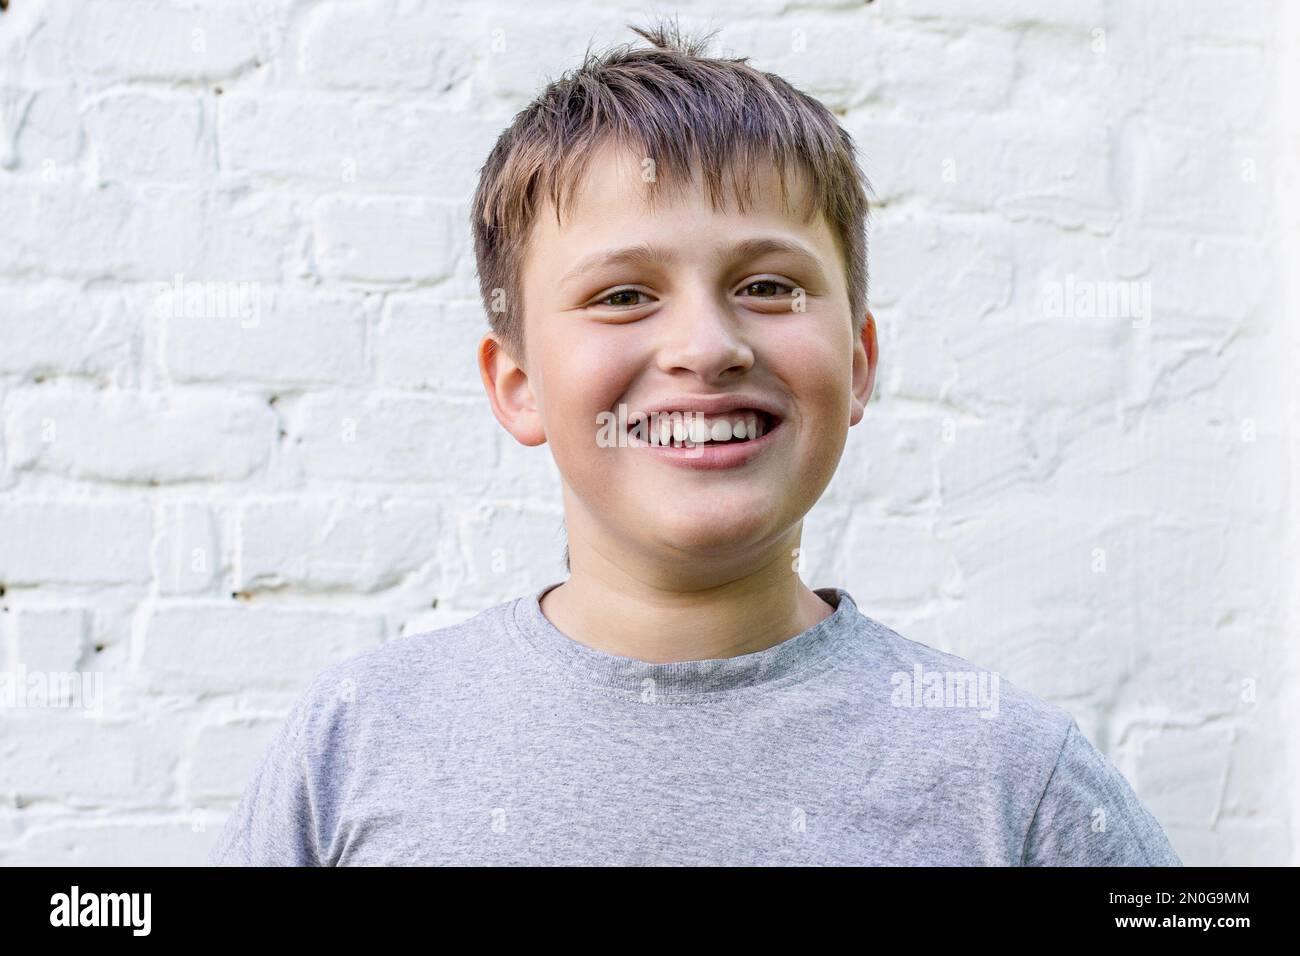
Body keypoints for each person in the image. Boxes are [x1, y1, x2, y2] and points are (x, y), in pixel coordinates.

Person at [210, 18, 1182, 866]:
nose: (706, 348)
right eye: (623, 294)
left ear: (856, 362)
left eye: (766, 285)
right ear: (516, 385)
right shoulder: (357, 743)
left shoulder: (1011, 780)